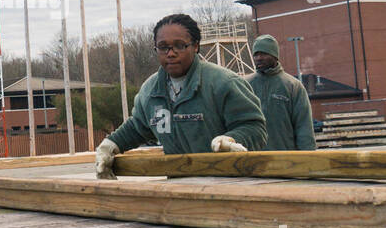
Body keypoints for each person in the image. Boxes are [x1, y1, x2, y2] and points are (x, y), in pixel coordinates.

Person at [96, 14, 266, 178]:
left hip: (228, 185)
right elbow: (138, 126)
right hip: (180, 187)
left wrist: (232, 140)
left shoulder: (224, 83)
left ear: (196, 46)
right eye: (163, 47)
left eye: (179, 45)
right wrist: (111, 145)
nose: (170, 53)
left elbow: (254, 127)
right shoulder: (150, 91)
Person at [249, 34, 317, 151]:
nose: (259, 58)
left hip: (285, 159)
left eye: (264, 53)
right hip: (252, 160)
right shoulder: (245, 85)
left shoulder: (293, 86)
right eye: (256, 54)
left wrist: (308, 159)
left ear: (275, 56)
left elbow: (304, 127)